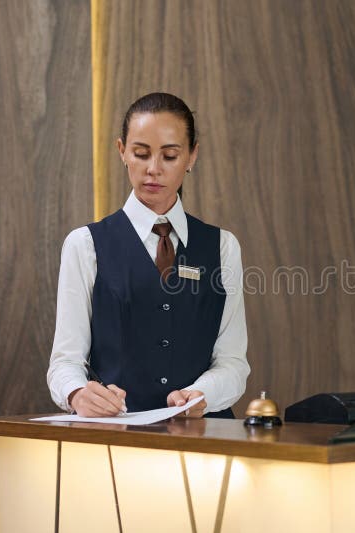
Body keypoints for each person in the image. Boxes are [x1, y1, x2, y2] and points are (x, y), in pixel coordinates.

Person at [47, 92, 249, 418]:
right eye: (141, 154)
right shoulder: (84, 245)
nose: (153, 169)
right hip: (118, 435)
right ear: (122, 151)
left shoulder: (223, 247)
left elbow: (233, 363)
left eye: (169, 156)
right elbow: (65, 362)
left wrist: (202, 395)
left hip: (205, 435)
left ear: (192, 156)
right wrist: (77, 393)